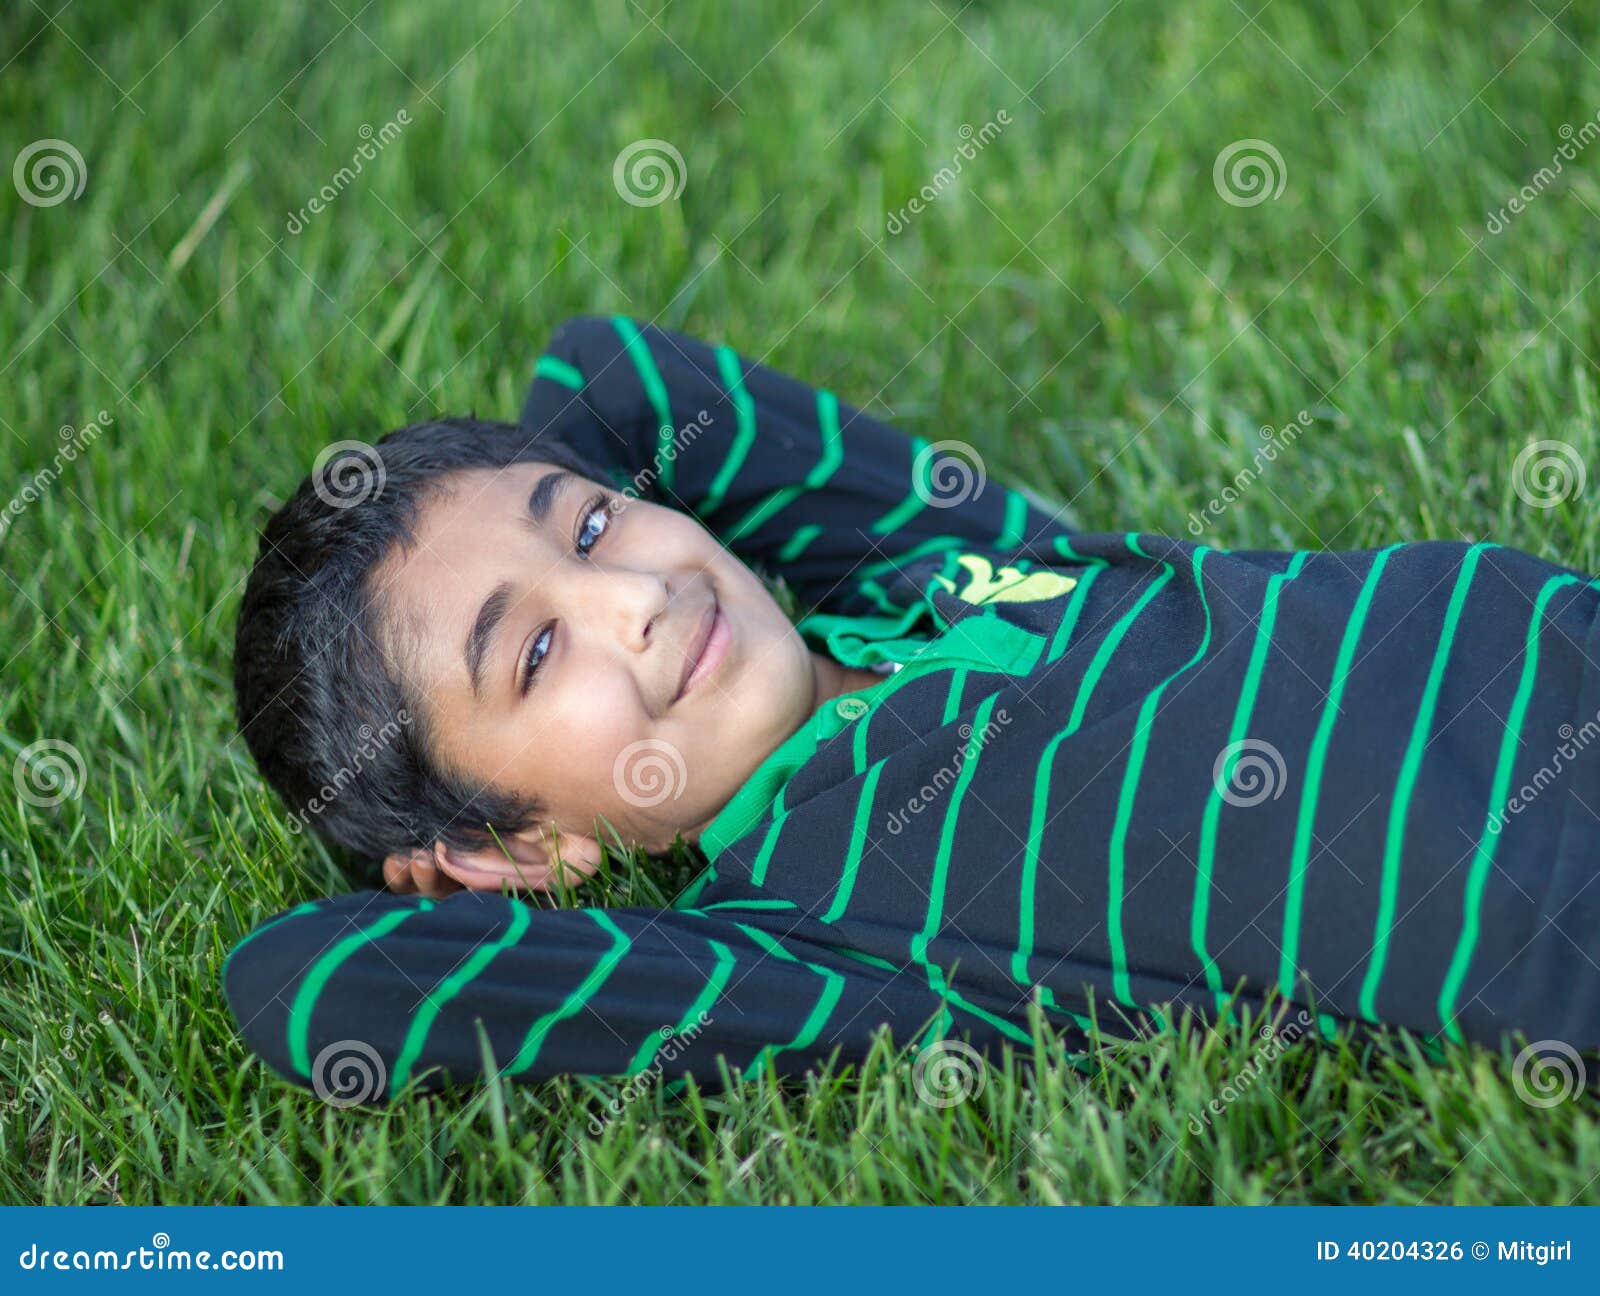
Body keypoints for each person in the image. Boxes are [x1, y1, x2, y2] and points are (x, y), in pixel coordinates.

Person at [224, 314, 1600, 1102]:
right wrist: (479, 850)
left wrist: (510, 517)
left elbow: (617, 377)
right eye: (530, 658)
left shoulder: (925, 564)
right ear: (512, 848)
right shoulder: (806, 935)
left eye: (588, 524)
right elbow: (308, 985)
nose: (632, 595)